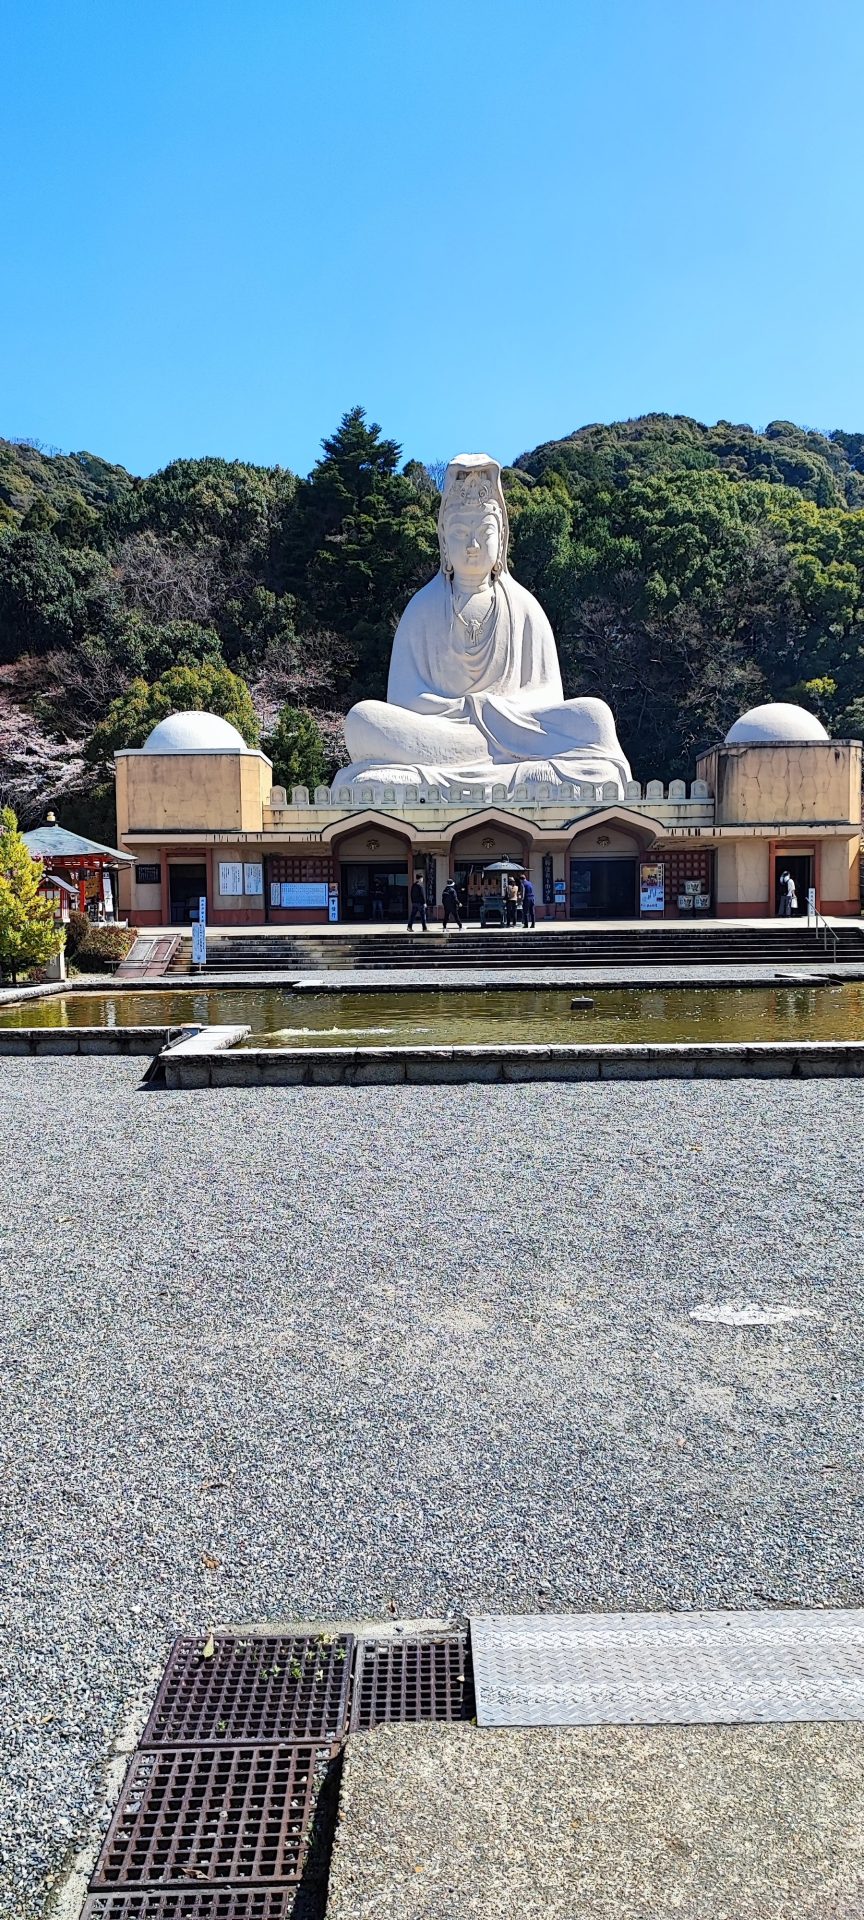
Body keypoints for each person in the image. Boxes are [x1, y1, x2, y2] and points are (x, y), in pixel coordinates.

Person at [334, 454, 632, 797]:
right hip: (444, 732)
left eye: (484, 531)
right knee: (362, 721)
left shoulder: (525, 607)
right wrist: (466, 712)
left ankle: (461, 774)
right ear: (444, 539)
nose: (473, 546)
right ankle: (520, 776)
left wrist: (491, 711)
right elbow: (403, 700)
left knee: (595, 717)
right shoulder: (422, 609)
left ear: (501, 537)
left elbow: (547, 697)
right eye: (461, 532)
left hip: (516, 734)